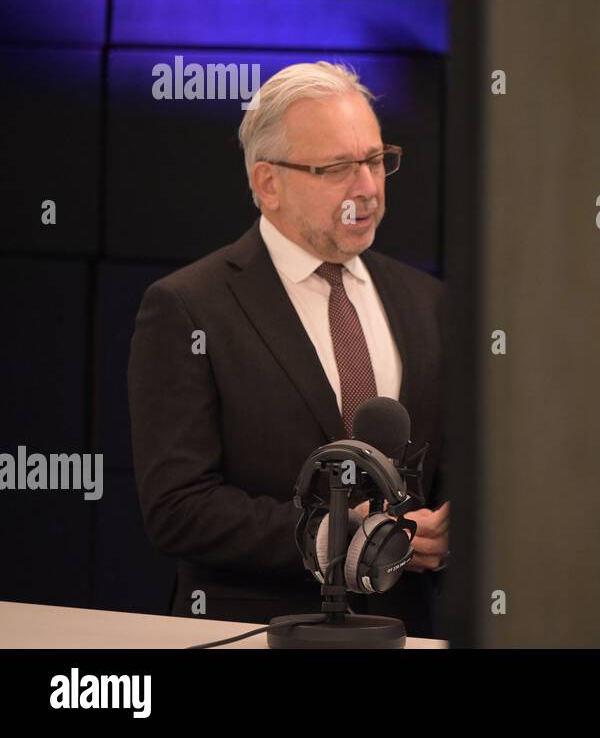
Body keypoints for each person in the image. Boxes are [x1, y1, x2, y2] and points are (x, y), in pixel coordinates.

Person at [128, 61, 449, 638]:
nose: (368, 188)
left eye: (376, 161)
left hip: (406, 629)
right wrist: (336, 535)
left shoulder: (429, 301)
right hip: (253, 629)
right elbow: (178, 508)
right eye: (337, 168)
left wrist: (455, 531)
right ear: (267, 183)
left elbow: (458, 470)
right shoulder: (187, 307)